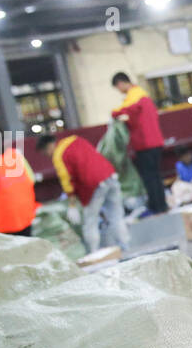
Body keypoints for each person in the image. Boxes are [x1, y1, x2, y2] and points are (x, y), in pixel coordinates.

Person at [36, 132, 129, 253]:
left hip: (92, 185)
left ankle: (93, 253)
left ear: (49, 147)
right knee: (116, 215)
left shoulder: (59, 155)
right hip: (109, 175)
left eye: (45, 153)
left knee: (90, 221)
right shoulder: (76, 139)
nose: (47, 156)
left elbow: (67, 181)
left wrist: (72, 205)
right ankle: (125, 246)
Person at [110, 71, 168, 215]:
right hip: (155, 142)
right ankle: (162, 205)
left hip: (145, 143)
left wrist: (113, 113)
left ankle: (156, 207)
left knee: (149, 176)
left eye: (118, 88)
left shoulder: (135, 95)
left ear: (121, 83)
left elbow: (123, 110)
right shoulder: (143, 94)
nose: (119, 91)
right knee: (155, 175)